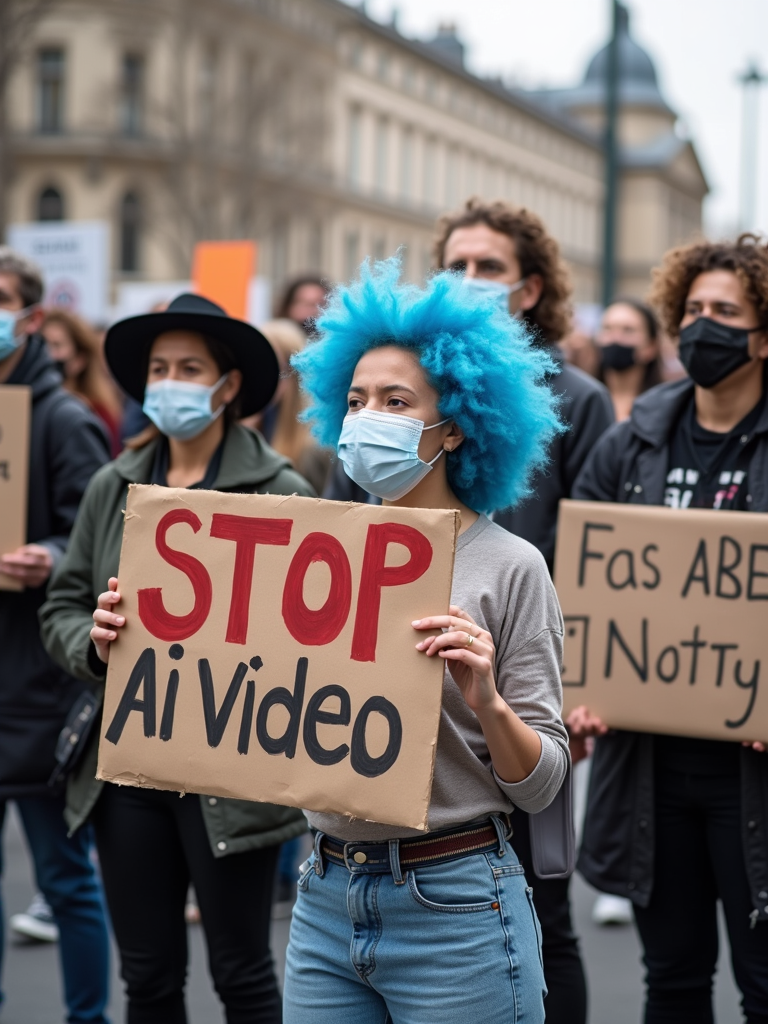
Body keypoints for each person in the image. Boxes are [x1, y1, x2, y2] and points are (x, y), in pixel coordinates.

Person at [283, 257, 569, 1024]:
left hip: (456, 907)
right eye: (355, 401)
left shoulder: (511, 566)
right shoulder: (310, 554)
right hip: (324, 898)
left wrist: (489, 700)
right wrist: (141, 643)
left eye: (396, 401)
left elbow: (542, 784)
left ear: (457, 426)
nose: (366, 417)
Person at [39, 293, 315, 1024]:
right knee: (148, 978)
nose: (170, 382)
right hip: (130, 767)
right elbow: (61, 607)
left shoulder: (282, 492)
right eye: (159, 368)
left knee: (242, 973)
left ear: (228, 387)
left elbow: (312, 639)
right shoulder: (112, 485)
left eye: (190, 368)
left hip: (234, 769)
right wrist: (92, 639)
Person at [571, 234, 768, 1024]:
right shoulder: (632, 442)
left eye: (726, 311)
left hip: (753, 776)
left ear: (763, 337)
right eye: (692, 309)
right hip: (651, 770)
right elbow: (581, 579)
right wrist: (585, 684)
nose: (702, 325)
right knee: (673, 981)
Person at [0, 247, 111, 1022]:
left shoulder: (65, 421)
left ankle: (86, 1017)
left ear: (33, 317)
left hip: (41, 688)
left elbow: (104, 538)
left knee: (66, 879)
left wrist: (49, 553)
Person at [42, 308, 124, 456]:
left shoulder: (97, 414)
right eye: (42, 343)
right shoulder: (33, 407)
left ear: (80, 359)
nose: (47, 353)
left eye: (56, 345)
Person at [596, 298, 663, 422]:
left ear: (651, 346)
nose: (615, 338)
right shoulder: (583, 400)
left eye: (628, 330)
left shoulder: (664, 407)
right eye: (607, 329)